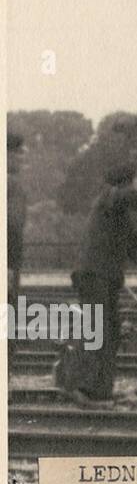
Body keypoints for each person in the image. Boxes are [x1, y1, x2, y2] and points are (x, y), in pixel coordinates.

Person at [55, 164, 137, 407]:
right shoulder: (108, 199)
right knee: (95, 328)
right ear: (130, 181)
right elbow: (123, 196)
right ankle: (79, 386)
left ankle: (100, 390)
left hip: (106, 278)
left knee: (110, 331)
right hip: (94, 275)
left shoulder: (119, 215)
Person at [7, 132, 27, 371]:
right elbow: (12, 226)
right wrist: (10, 267)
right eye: (20, 153)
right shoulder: (12, 185)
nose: (22, 159)